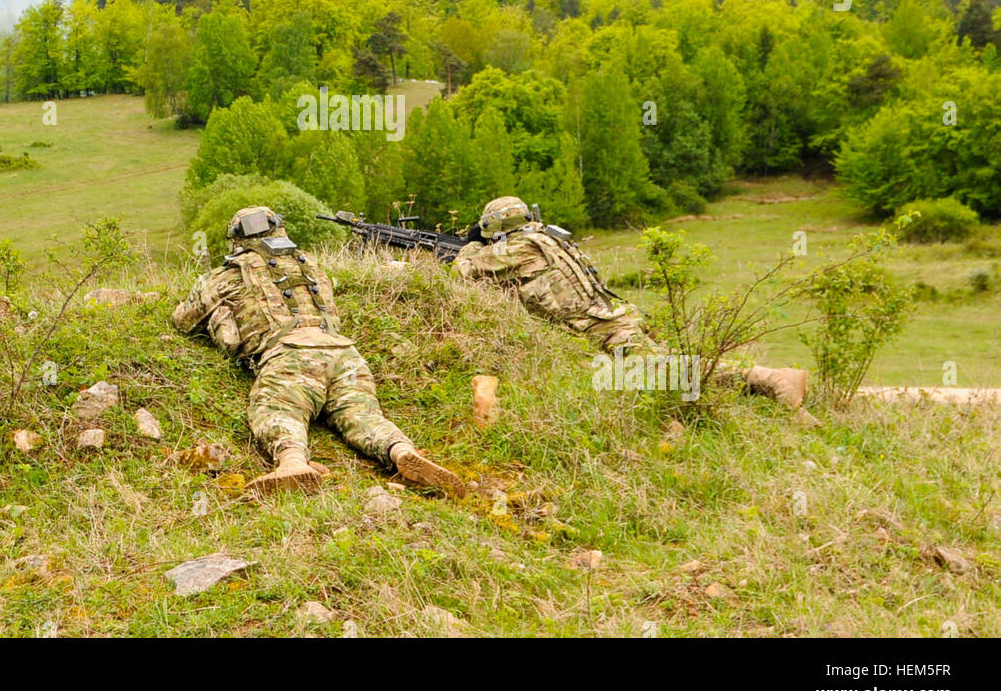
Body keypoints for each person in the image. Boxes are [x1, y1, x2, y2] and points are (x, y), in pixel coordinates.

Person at [172, 205, 467, 495]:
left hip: (289, 355)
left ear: (236, 239)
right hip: (343, 354)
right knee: (361, 415)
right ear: (280, 229)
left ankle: (292, 463)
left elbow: (183, 320)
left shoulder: (224, 276)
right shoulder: (310, 265)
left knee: (279, 411)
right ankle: (400, 451)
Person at [453, 196, 808, 409]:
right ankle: (771, 387)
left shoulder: (517, 248)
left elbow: (463, 269)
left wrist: (471, 243)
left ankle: (770, 378)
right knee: (670, 365)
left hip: (604, 327)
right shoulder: (545, 236)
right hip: (618, 316)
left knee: (666, 373)